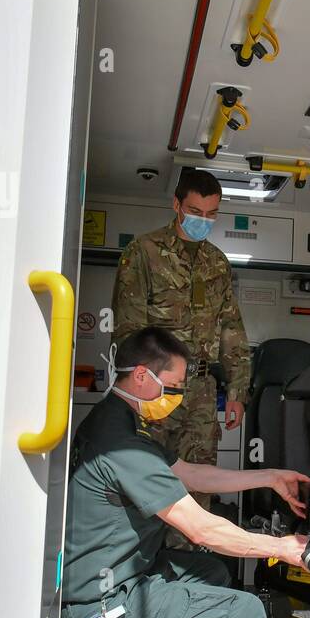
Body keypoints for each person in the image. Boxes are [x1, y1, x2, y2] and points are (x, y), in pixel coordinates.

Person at [59, 326, 310, 618]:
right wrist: (281, 548)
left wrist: (270, 476)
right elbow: (202, 528)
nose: (175, 399)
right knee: (246, 616)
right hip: (94, 605)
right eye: (172, 387)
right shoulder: (123, 445)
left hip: (115, 576)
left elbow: (192, 474)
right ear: (142, 375)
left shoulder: (119, 421)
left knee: (212, 574)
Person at [112, 167, 250, 544]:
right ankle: (141, 562)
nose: (203, 221)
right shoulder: (143, 252)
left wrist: (237, 393)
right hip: (156, 392)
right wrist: (137, 393)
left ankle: (190, 565)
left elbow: (231, 328)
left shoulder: (217, 263)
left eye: (210, 214)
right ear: (176, 205)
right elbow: (128, 330)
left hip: (203, 395)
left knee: (198, 484)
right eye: (195, 211)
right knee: (147, 477)